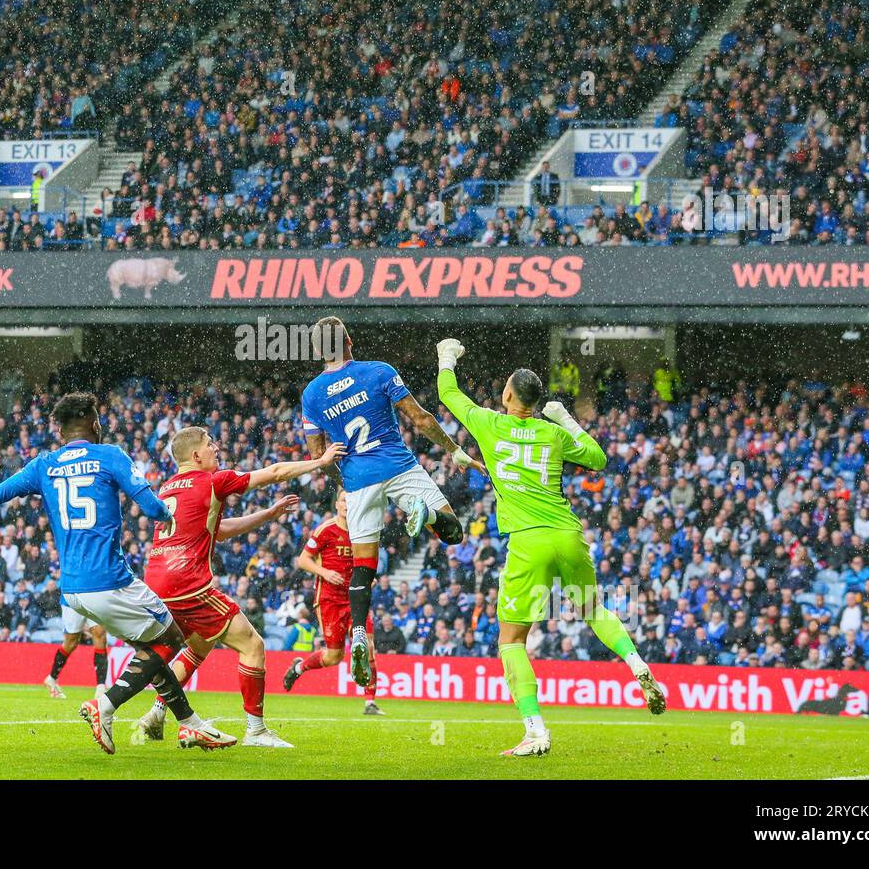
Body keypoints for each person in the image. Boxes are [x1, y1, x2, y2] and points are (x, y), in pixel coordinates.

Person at [0, 392, 236, 754]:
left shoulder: (44, 464)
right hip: (111, 580)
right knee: (171, 640)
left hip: (73, 591)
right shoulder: (110, 455)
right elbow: (153, 509)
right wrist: (169, 514)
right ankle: (105, 705)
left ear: (60, 430)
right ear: (95, 424)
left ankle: (190, 724)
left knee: (148, 650)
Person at [435, 340, 666, 758]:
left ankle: (535, 730)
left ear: (507, 396)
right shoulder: (553, 434)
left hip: (528, 541)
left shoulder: (489, 423)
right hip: (568, 533)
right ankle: (636, 663)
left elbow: (448, 394)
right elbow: (597, 458)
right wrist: (566, 419)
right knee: (594, 609)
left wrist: (447, 358)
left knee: (511, 641)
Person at [300, 316, 483, 687]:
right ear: (350, 340)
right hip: (398, 465)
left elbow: (317, 454)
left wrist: (345, 481)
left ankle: (359, 635)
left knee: (363, 569)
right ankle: (425, 511)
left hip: (358, 481)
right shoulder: (379, 372)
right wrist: (455, 451)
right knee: (453, 533)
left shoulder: (312, 394)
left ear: (318, 351)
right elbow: (420, 419)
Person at [135, 426, 342, 747]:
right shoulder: (212, 480)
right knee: (253, 645)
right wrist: (321, 461)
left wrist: (268, 514)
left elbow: (219, 531)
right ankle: (256, 731)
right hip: (187, 583)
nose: (215, 448)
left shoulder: (168, 489)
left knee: (198, 648)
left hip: (157, 584)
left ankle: (157, 713)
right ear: (195, 455)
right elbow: (274, 472)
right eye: (209, 444)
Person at [283, 491, 384, 714]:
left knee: (367, 645)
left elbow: (366, 561)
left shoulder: (363, 530)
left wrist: (369, 579)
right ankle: (298, 668)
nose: (347, 505)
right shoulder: (325, 530)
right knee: (333, 657)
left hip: (355, 599)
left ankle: (369, 702)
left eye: (351, 501)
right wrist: (325, 573)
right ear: (337, 504)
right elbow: (303, 560)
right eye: (343, 501)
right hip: (329, 600)